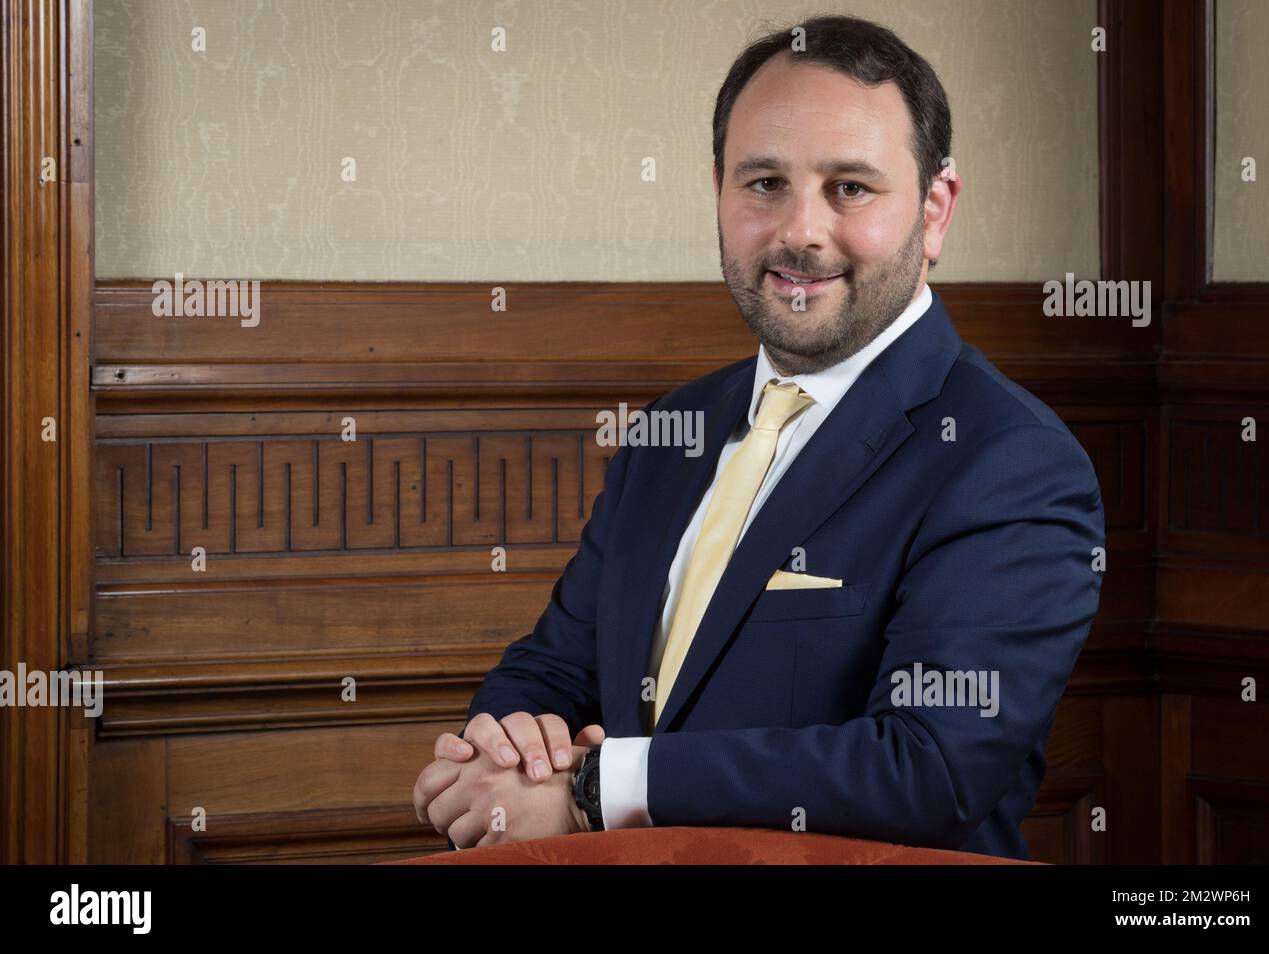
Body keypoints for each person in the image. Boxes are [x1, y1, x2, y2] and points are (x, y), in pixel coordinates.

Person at [413, 14, 1104, 860]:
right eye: (764, 183)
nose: (800, 232)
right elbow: (555, 669)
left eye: (850, 187)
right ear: (719, 191)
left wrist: (594, 790)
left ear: (934, 211)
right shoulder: (673, 432)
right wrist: (501, 753)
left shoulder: (1010, 460)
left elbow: (931, 768)